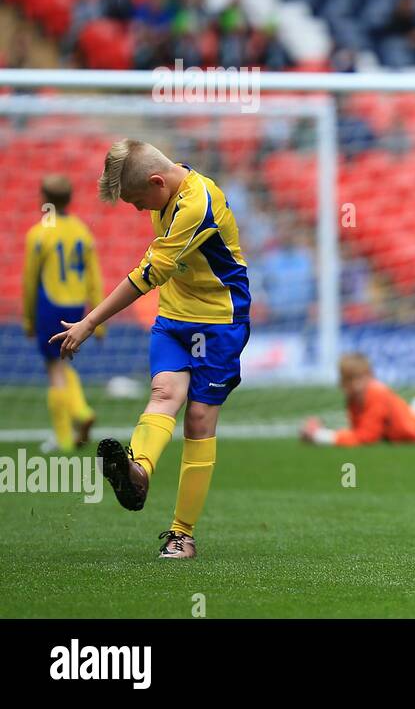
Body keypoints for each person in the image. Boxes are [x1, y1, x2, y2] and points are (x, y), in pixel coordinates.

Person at [52, 141, 252, 560]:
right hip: (174, 318)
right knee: (163, 394)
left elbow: (147, 275)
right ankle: (137, 472)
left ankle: (183, 533)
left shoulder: (198, 205)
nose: (140, 211)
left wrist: (91, 321)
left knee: (198, 418)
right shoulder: (167, 184)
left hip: (219, 321)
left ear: (158, 183)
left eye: (139, 202)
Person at [22, 175, 103, 453]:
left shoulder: (39, 233)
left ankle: (68, 430)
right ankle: (79, 414)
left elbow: (30, 281)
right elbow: (94, 277)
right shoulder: (82, 231)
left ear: (43, 199)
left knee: (54, 369)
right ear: (70, 199)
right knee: (63, 364)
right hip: (76, 307)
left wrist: (28, 319)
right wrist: (98, 320)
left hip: (50, 305)